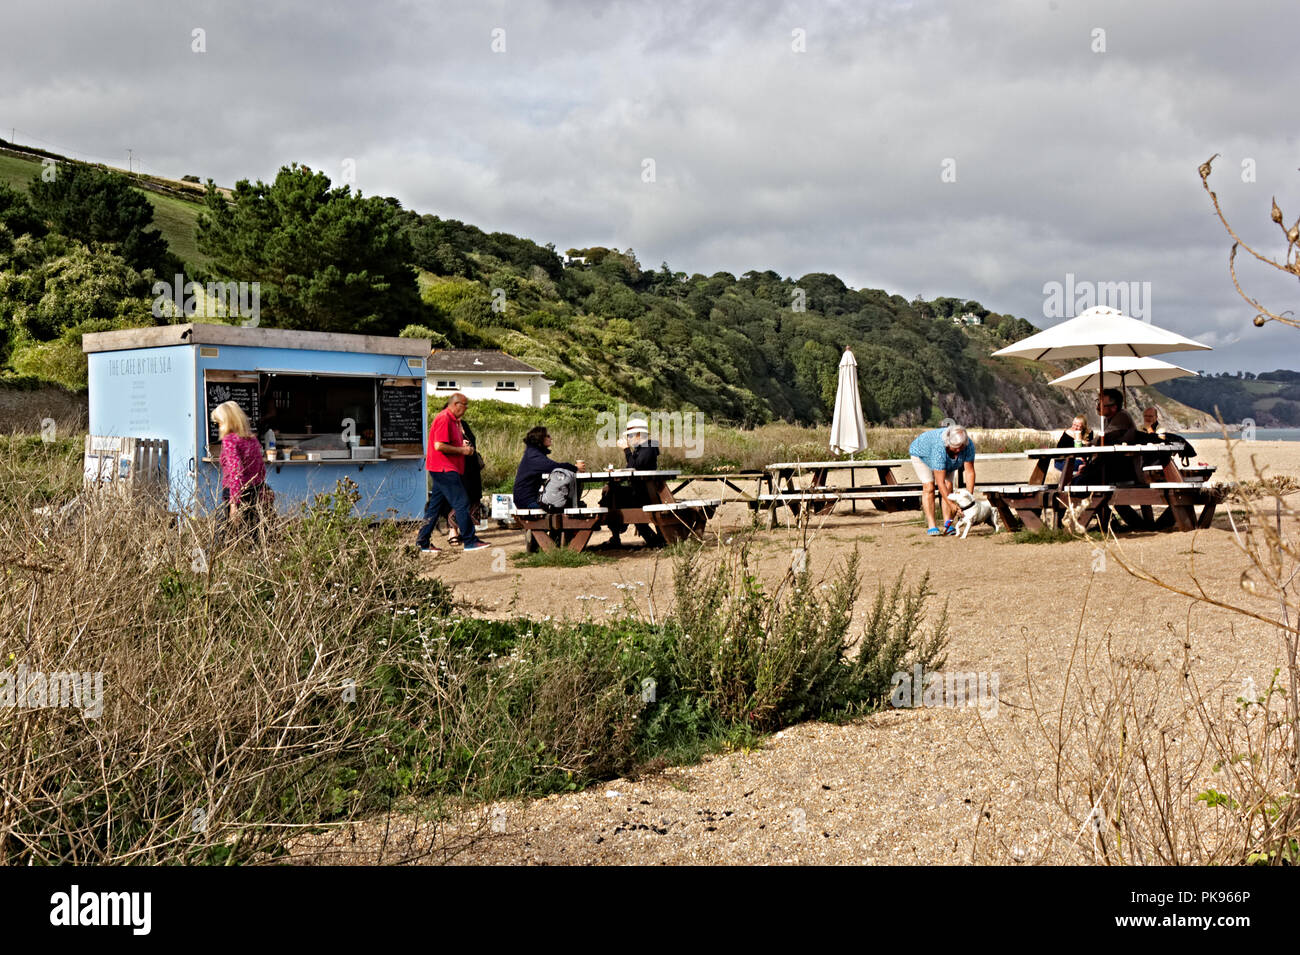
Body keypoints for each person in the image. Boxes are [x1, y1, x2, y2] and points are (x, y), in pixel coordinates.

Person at [416, 393, 489, 553]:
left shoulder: (454, 422)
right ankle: (470, 541)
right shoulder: (444, 419)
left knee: (434, 507)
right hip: (444, 468)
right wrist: (463, 450)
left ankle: (422, 542)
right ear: (456, 405)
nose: (466, 408)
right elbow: (439, 446)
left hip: (444, 468)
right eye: (464, 404)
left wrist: (464, 447)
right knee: (462, 503)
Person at [210, 400, 270, 541]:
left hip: (235, 492)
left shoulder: (230, 440)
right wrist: (261, 490)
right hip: (254, 492)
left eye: (217, 423)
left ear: (226, 421)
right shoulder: (252, 439)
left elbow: (236, 472)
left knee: (222, 537)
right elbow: (261, 468)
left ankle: (207, 562)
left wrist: (233, 504)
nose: (217, 426)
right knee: (252, 536)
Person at [601, 417, 665, 547]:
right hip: (642, 491)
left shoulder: (649, 447)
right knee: (609, 490)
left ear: (638, 435)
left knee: (610, 492)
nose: (628, 439)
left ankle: (617, 529)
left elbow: (636, 466)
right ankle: (617, 531)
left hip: (645, 493)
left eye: (630, 435)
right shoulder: (642, 449)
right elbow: (633, 466)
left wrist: (626, 449)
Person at [908, 423, 976, 536]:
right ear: (948, 443)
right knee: (929, 487)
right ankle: (932, 525)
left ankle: (947, 525)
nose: (959, 450)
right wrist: (952, 505)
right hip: (922, 455)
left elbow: (969, 472)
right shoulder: (939, 448)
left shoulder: (968, 445)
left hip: (949, 461)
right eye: (956, 447)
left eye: (961, 447)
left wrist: (968, 500)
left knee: (949, 487)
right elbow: (939, 483)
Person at [441, 416, 485, 545]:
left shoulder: (464, 424)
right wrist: (459, 446)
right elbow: (441, 446)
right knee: (455, 498)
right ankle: (452, 530)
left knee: (471, 497)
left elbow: (473, 443)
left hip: (471, 467)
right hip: (454, 467)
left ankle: (467, 531)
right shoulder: (445, 426)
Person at [512, 426, 577, 510]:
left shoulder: (533, 453)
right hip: (527, 501)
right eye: (548, 436)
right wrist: (575, 468)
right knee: (558, 508)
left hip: (527, 499)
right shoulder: (534, 456)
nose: (551, 438)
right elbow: (555, 467)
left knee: (562, 504)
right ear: (540, 438)